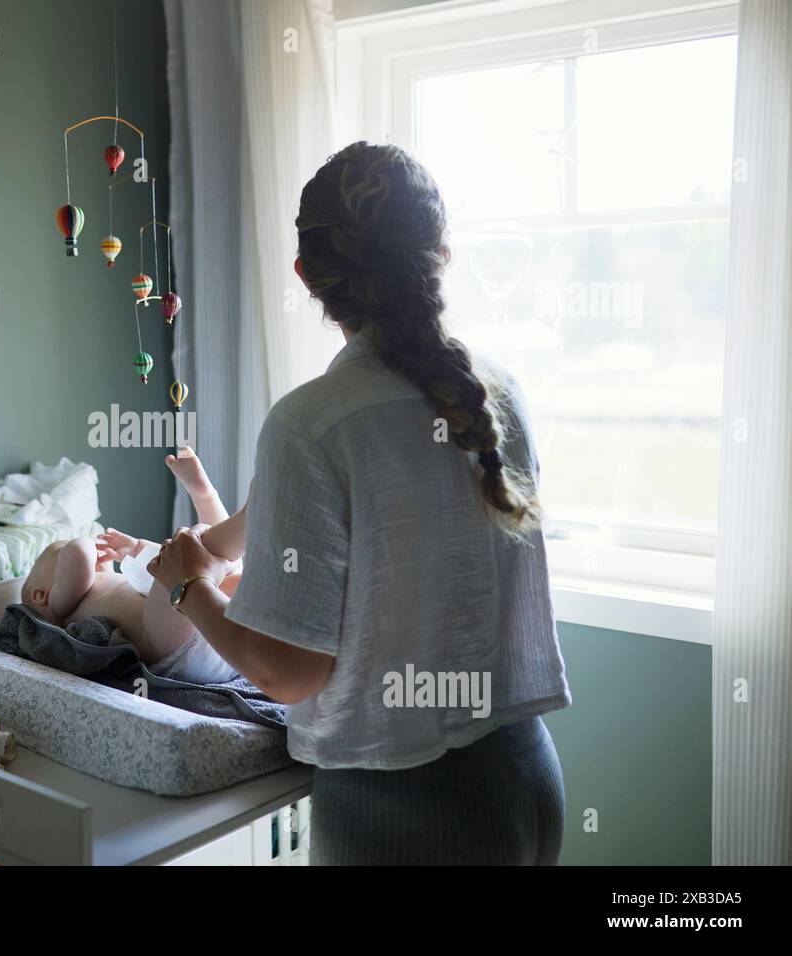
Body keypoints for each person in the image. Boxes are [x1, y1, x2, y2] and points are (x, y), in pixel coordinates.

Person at [147, 141, 571, 865]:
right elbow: (363, 524)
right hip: (524, 777)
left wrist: (186, 586)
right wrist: (216, 542)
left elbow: (288, 673)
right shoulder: (495, 393)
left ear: (306, 275)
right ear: (439, 253)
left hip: (403, 808)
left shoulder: (311, 424)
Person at [19, 448, 243, 684]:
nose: (76, 552)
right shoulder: (59, 608)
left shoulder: (108, 584)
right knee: (190, 556)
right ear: (40, 594)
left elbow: (156, 573)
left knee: (202, 560)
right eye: (61, 553)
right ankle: (241, 516)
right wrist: (83, 542)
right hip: (173, 649)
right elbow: (79, 555)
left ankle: (207, 497)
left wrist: (135, 549)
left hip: (224, 640)